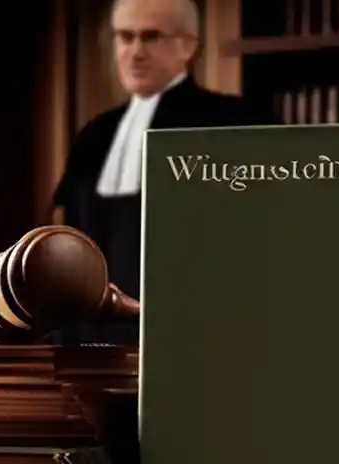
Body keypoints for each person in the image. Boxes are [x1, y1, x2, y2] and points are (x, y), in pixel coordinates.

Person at [51, 0, 278, 346]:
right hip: (96, 344)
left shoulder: (233, 122)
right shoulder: (95, 135)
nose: (135, 52)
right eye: (125, 37)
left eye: (151, 37)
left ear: (187, 45)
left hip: (194, 335)